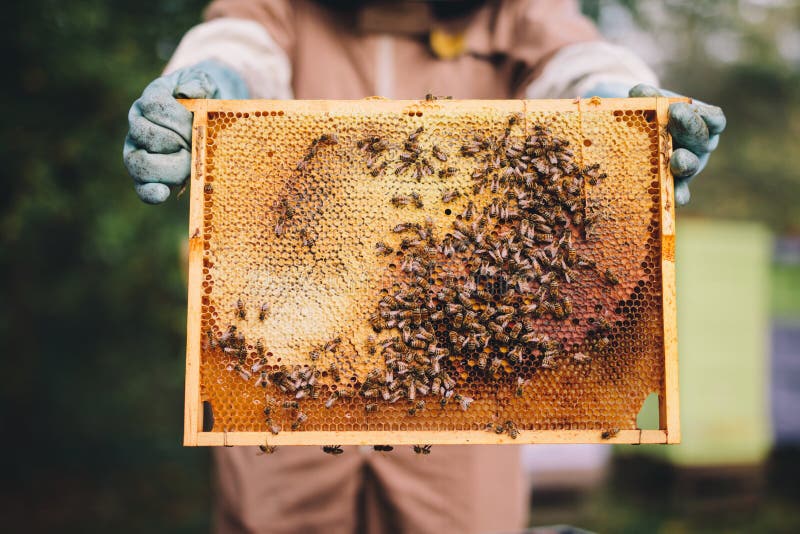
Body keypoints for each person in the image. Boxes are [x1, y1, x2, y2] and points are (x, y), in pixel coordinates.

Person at [123, 1, 726, 532]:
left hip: (463, 372)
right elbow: (239, 43)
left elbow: (576, 59)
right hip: (283, 360)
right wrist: (208, 89)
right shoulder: (285, 7)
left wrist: (623, 100)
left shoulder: (516, 10)